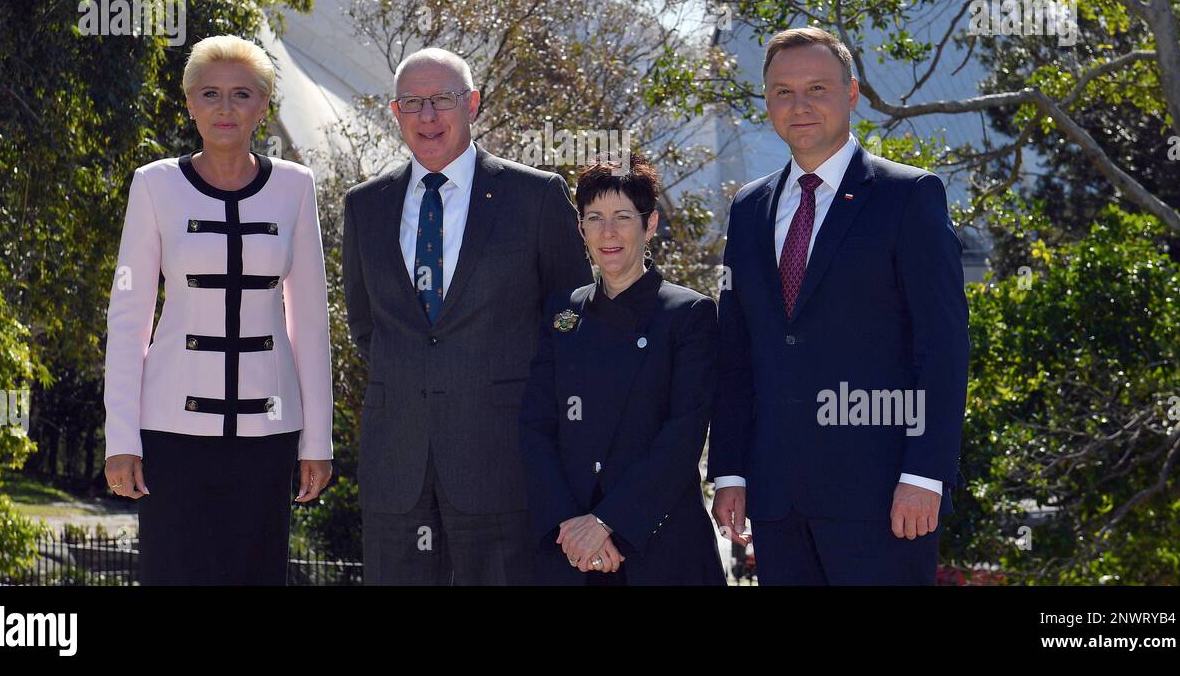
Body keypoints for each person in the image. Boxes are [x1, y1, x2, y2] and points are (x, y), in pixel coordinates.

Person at [709, 27, 970, 585]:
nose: (798, 105)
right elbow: (736, 354)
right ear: (766, 102)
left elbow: (942, 348)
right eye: (782, 91)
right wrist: (729, 469)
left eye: (817, 88)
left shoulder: (909, 197)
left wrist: (926, 475)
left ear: (851, 94)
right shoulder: (749, 208)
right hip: (777, 502)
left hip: (885, 498)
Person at [341, 48, 590, 585]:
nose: (428, 117)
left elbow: (572, 315)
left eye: (443, 101)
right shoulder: (365, 205)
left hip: (501, 459)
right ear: (395, 112)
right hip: (397, 464)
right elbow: (366, 324)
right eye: (413, 103)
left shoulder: (536, 197)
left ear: (472, 104)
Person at [104, 34, 333, 585]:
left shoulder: (295, 187)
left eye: (241, 94)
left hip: (268, 433)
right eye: (210, 93)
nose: (225, 108)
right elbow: (129, 317)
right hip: (171, 432)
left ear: (263, 104)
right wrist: (121, 439)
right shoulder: (154, 184)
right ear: (189, 103)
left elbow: (311, 320)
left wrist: (317, 440)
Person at [519, 152, 725, 585]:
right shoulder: (562, 311)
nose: (608, 233)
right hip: (570, 550)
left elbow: (683, 437)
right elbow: (536, 427)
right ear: (580, 229)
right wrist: (572, 526)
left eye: (622, 217)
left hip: (659, 545)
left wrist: (605, 523)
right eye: (594, 218)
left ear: (649, 225)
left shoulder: (688, 313)